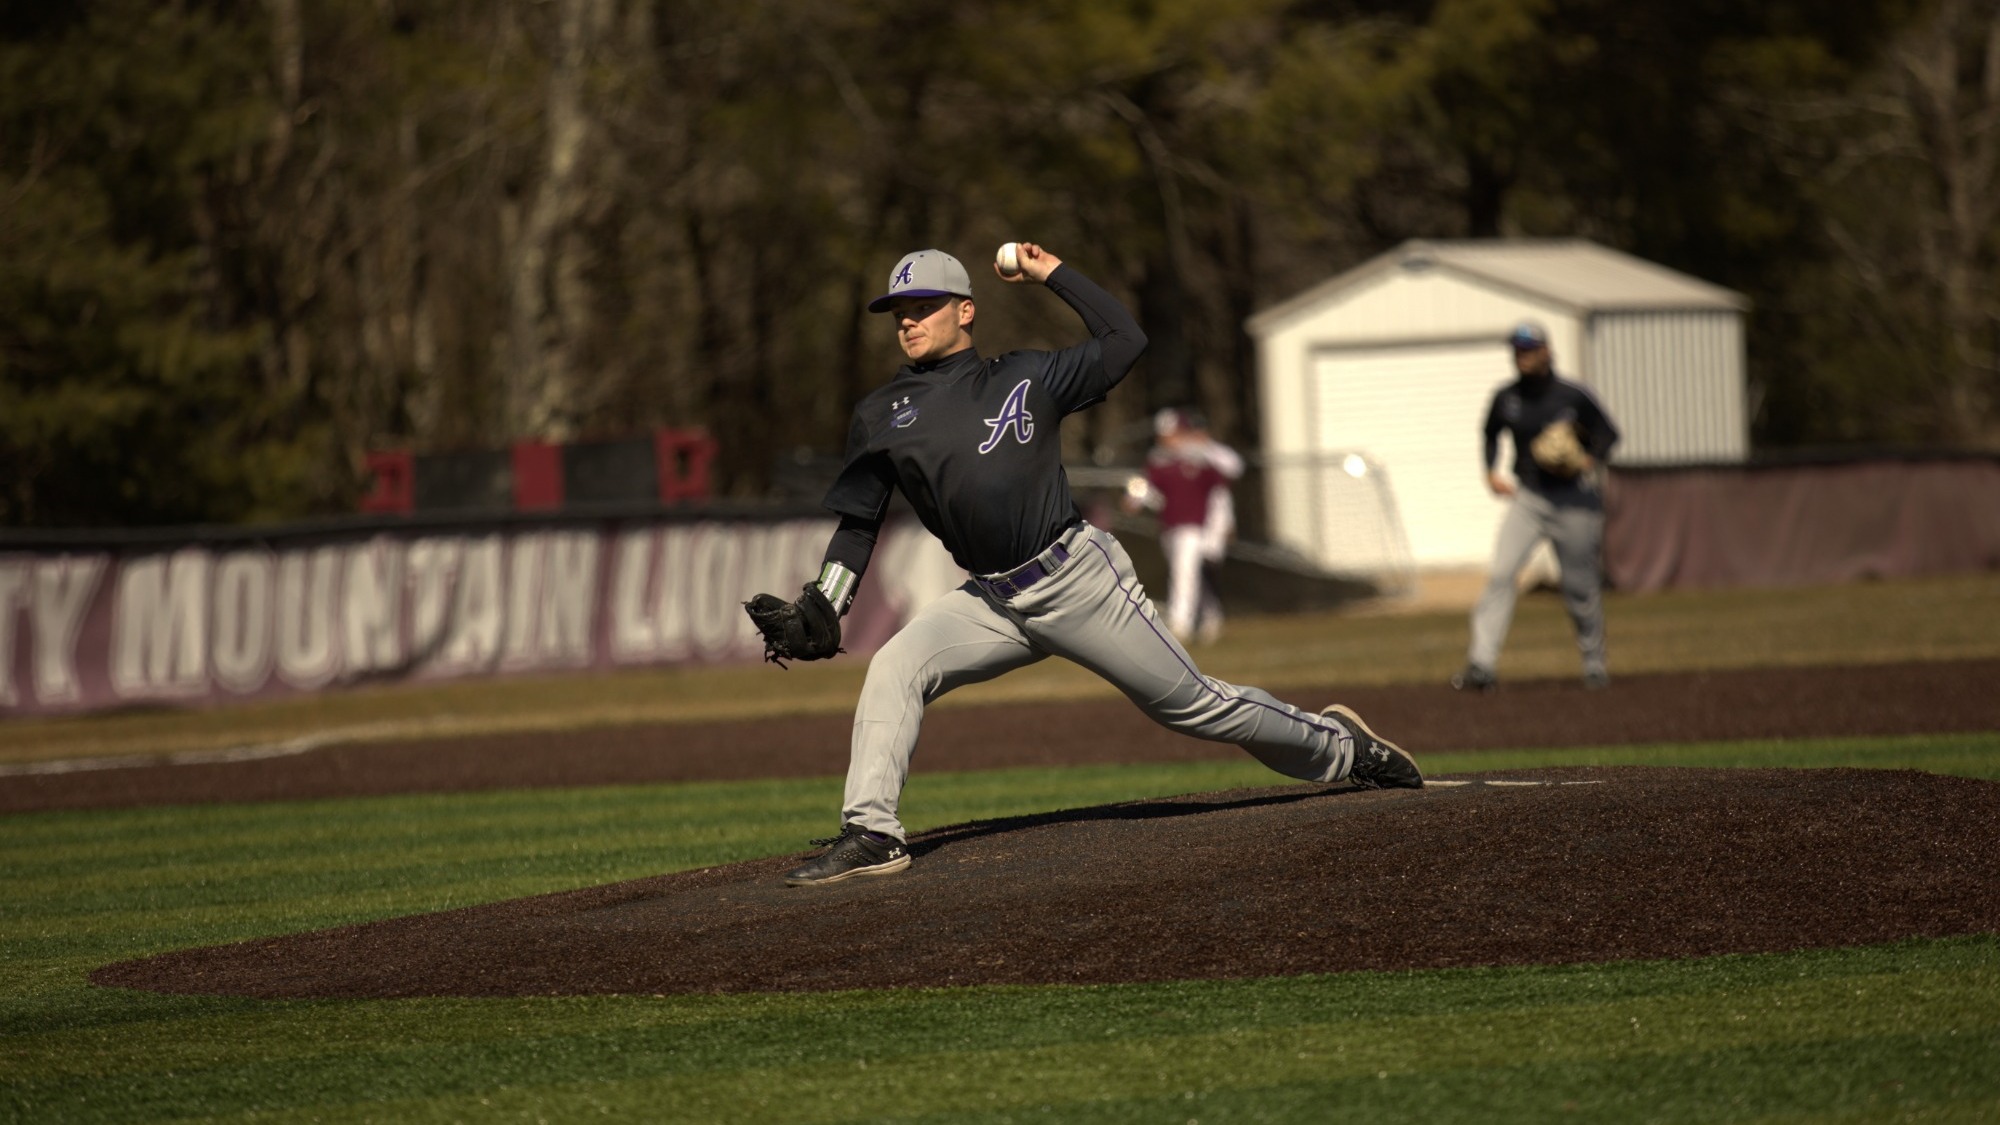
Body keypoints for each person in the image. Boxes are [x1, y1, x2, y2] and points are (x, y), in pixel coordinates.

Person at [765, 243, 1422, 887]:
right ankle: (873, 832)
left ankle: (1341, 745)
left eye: (923, 305)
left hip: (1078, 578)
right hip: (993, 602)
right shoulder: (880, 414)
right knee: (895, 665)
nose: (907, 320)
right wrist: (828, 599)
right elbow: (859, 521)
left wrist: (1052, 272)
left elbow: (1125, 341)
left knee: (1196, 707)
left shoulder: (1025, 376)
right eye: (897, 310)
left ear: (966, 311)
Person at [1452, 320, 1621, 693]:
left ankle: (1594, 665)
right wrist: (1490, 471)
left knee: (1580, 587)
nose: (1521, 356)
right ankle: (1481, 664)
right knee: (1501, 573)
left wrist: (1591, 457)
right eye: (1517, 349)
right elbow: (1490, 432)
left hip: (1575, 499)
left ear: (1546, 351)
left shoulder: (1571, 396)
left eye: (1528, 349)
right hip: (1529, 497)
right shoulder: (1507, 398)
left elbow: (1609, 433)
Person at [1123, 407, 1243, 644]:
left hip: (1197, 527)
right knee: (1191, 574)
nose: (1168, 439)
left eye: (1173, 433)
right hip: (1170, 527)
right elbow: (1144, 486)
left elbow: (1226, 480)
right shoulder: (1159, 460)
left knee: (1184, 573)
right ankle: (1211, 617)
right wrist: (1134, 499)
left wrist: (1227, 522)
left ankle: (1181, 624)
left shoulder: (1202, 458)